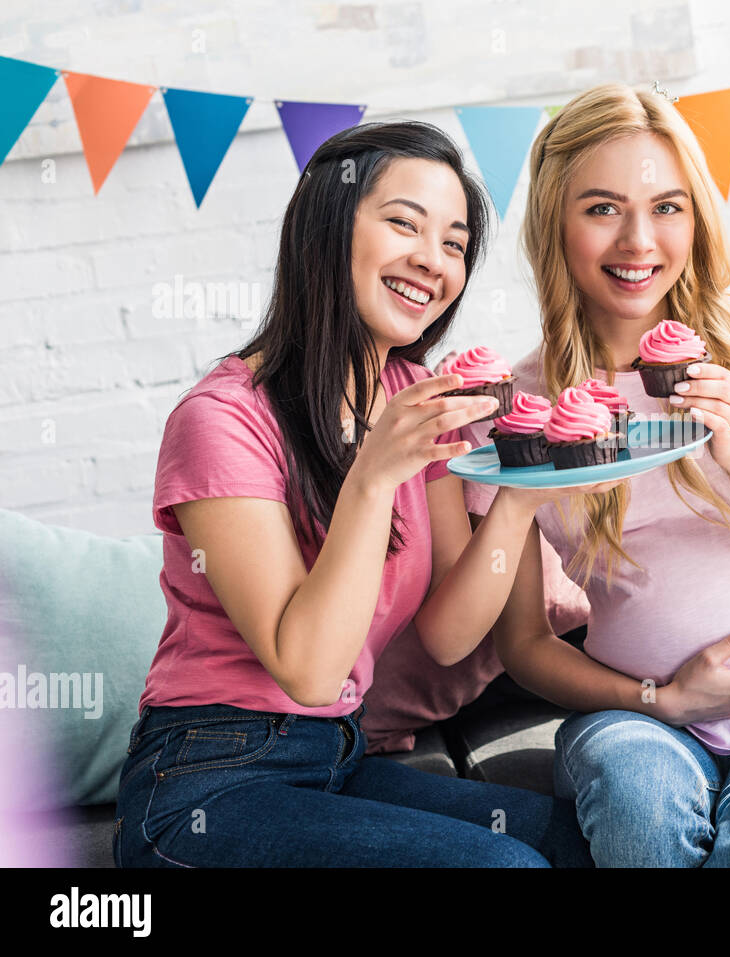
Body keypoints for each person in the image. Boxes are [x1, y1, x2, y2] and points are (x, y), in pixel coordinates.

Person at [114, 121, 617, 868]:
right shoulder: (221, 420)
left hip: (335, 756)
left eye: (453, 242)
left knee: (580, 845)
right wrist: (374, 474)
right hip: (206, 781)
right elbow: (308, 667)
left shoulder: (412, 394)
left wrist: (520, 493)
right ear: (327, 227)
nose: (432, 260)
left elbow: (449, 632)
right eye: (404, 224)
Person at [465, 83, 730, 867]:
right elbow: (523, 644)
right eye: (601, 208)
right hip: (638, 719)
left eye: (667, 206)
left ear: (696, 217)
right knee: (641, 816)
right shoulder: (523, 405)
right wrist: (659, 699)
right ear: (555, 221)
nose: (639, 240)